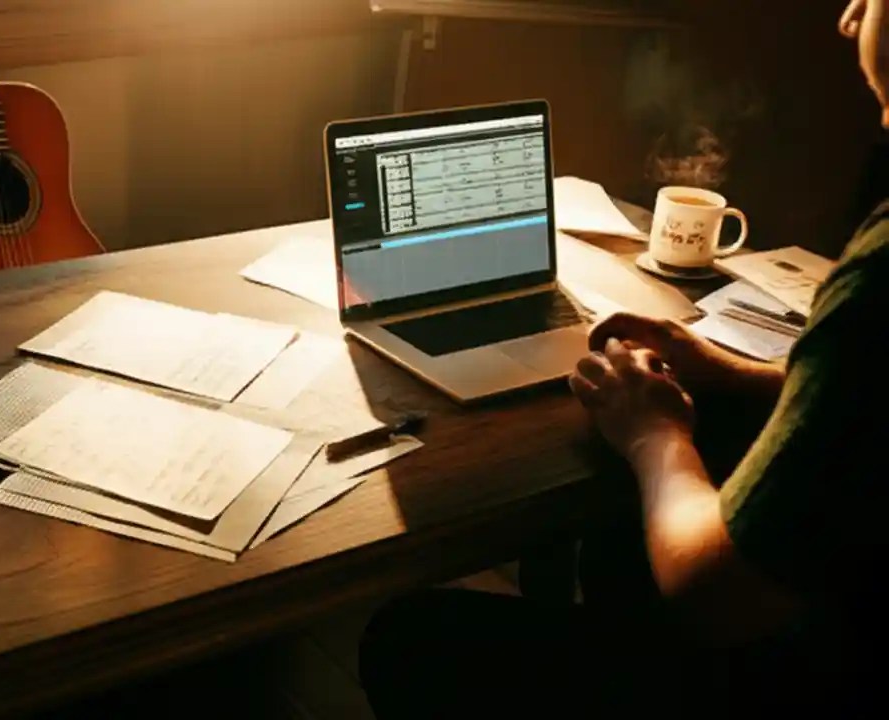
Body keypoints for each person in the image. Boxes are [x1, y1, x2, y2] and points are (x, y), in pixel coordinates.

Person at [360, 1, 889, 715]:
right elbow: (863, 402)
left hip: (800, 675)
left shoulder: (880, 277)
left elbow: (717, 596)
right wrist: (725, 371)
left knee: (405, 636)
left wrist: (654, 437)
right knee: (617, 526)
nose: (850, 16)